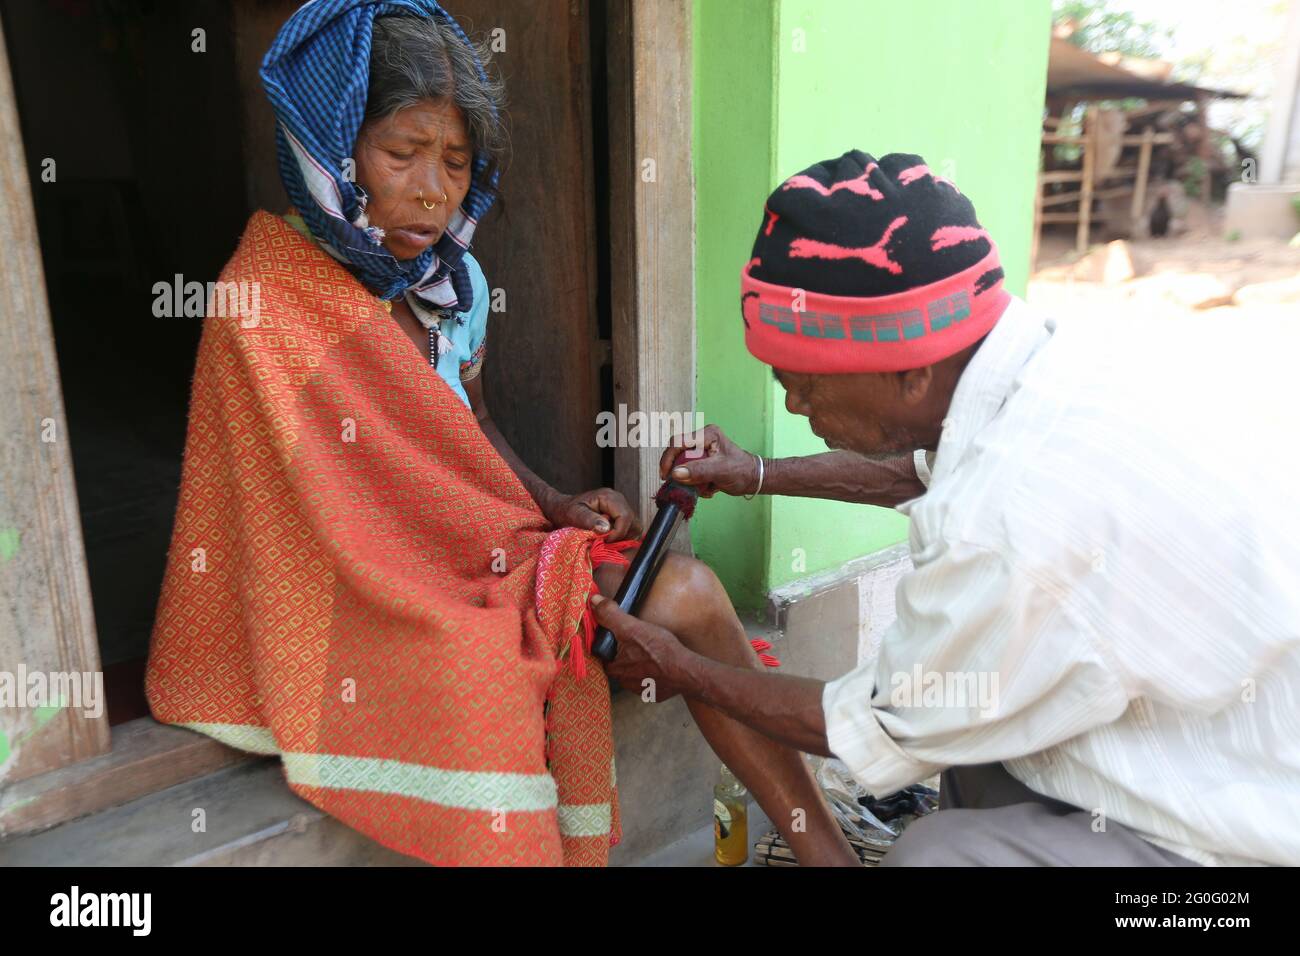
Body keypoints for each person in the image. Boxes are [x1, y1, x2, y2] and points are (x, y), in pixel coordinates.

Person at [147, 0, 855, 867]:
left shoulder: (455, 285)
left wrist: (556, 502)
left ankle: (826, 852)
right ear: (331, 148)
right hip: (362, 592)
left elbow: (471, 431)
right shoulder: (265, 298)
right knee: (484, 669)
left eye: (455, 161)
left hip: (489, 553)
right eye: (401, 153)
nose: (432, 188)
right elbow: (268, 512)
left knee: (694, 594)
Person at [591, 148, 1300, 866]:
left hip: (1242, 857)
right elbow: (917, 474)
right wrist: (759, 473)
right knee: (980, 751)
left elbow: (872, 725)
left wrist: (680, 668)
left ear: (912, 373)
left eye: (803, 383)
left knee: (940, 855)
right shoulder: (1045, 375)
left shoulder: (1008, 520)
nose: (794, 404)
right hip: (1216, 753)